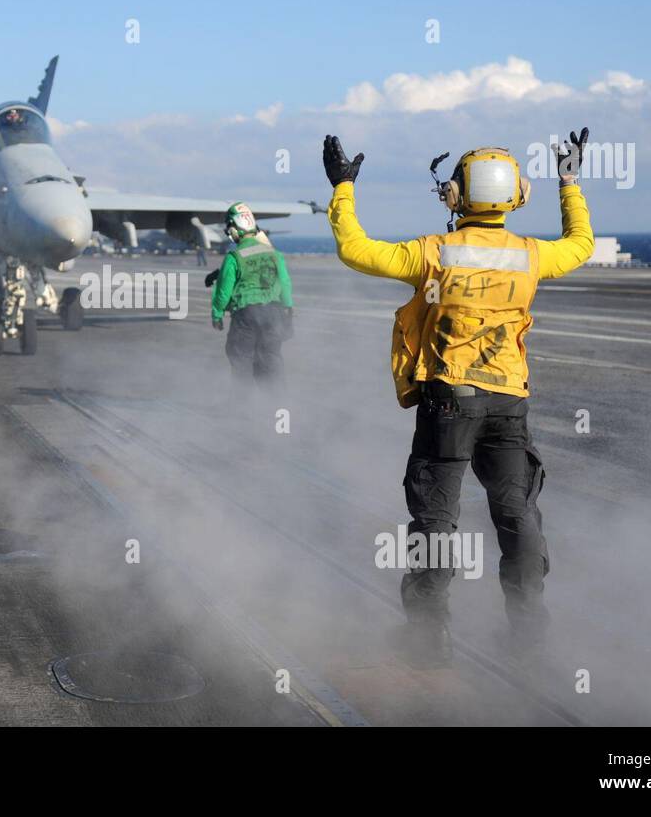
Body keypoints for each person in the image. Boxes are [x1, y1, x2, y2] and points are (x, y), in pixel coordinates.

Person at [324, 130, 594, 667]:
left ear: (455, 195)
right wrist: (569, 182)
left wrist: (343, 188)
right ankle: (528, 638)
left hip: (450, 401)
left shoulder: (434, 252)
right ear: (518, 194)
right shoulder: (529, 256)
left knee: (436, 522)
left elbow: (354, 249)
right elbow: (582, 243)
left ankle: (427, 639)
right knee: (517, 516)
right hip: (508, 403)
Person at [209, 202, 294, 385]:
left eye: (229, 228)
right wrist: (287, 308)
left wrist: (217, 314)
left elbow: (224, 292)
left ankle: (243, 408)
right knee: (271, 359)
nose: (228, 232)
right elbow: (285, 283)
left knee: (241, 359)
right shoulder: (274, 253)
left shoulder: (234, 257)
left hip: (246, 317)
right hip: (274, 314)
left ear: (236, 227)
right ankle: (277, 404)